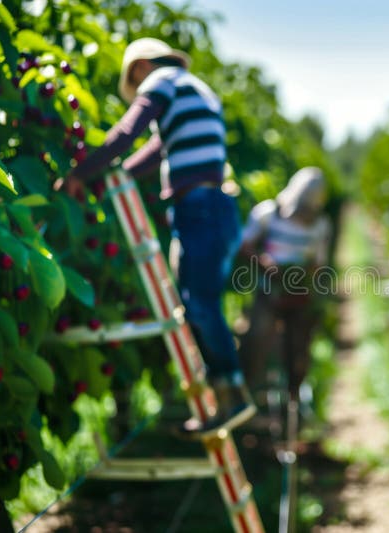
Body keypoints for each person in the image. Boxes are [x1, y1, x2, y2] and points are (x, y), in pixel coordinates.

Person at [56, 37, 252, 433]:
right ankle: (220, 398)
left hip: (201, 209)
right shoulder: (195, 90)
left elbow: (128, 133)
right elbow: (155, 149)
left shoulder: (162, 80)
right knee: (195, 302)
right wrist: (112, 178)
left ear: (140, 68)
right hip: (213, 210)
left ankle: (234, 394)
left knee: (199, 305)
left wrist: (80, 173)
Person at [238, 167, 330, 413]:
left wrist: (304, 276)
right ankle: (247, 397)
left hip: (298, 296)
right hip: (268, 292)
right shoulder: (268, 214)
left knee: (298, 351)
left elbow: (318, 265)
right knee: (257, 337)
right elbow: (244, 244)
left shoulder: (320, 226)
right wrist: (264, 262)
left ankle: (294, 401)